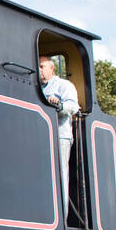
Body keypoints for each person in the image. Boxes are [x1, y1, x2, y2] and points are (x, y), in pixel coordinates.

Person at [39, 55, 80, 216]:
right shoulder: (36, 87)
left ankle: (61, 216)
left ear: (52, 67)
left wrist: (59, 105)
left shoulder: (64, 85)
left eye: (43, 66)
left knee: (60, 175)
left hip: (60, 135)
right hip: (41, 136)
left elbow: (73, 107)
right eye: (38, 67)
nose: (40, 70)